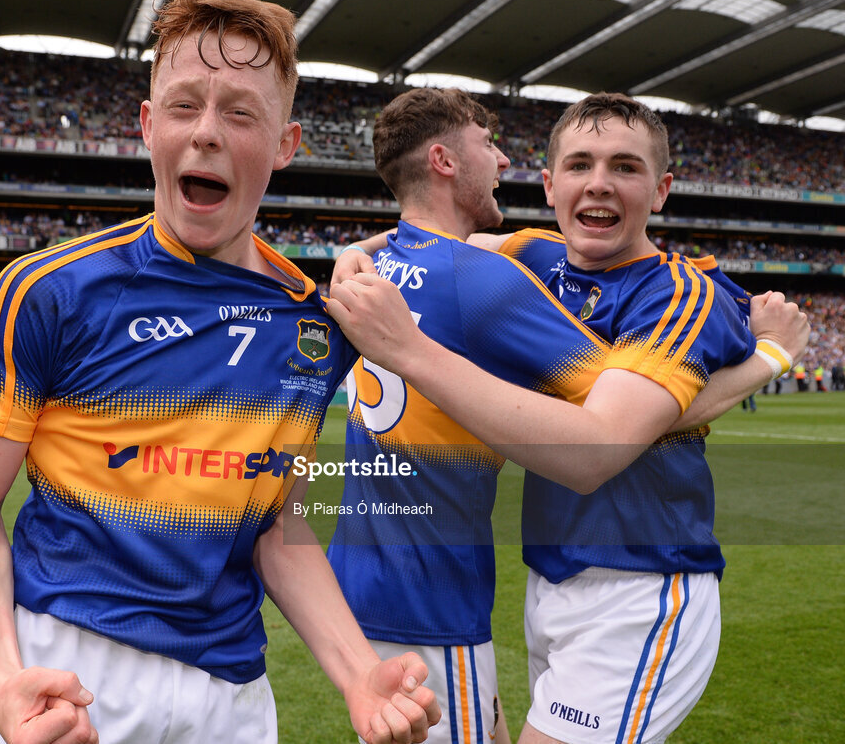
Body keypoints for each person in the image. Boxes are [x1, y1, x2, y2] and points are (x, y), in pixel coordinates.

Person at [0, 0, 440, 744]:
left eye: (240, 112)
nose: (206, 132)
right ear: (147, 125)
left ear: (283, 145)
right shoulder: (46, 291)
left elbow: (276, 525)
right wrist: (2, 681)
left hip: (231, 700)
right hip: (65, 677)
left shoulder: (314, 325)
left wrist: (358, 671)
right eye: (183, 105)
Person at [324, 89, 808, 744]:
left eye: (625, 168)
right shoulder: (531, 258)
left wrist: (771, 354)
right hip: (549, 582)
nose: (599, 183)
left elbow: (603, 441)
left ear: (662, 189)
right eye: (580, 165)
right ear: (550, 185)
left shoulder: (679, 293)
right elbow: (429, 241)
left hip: (640, 586)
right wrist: (359, 252)